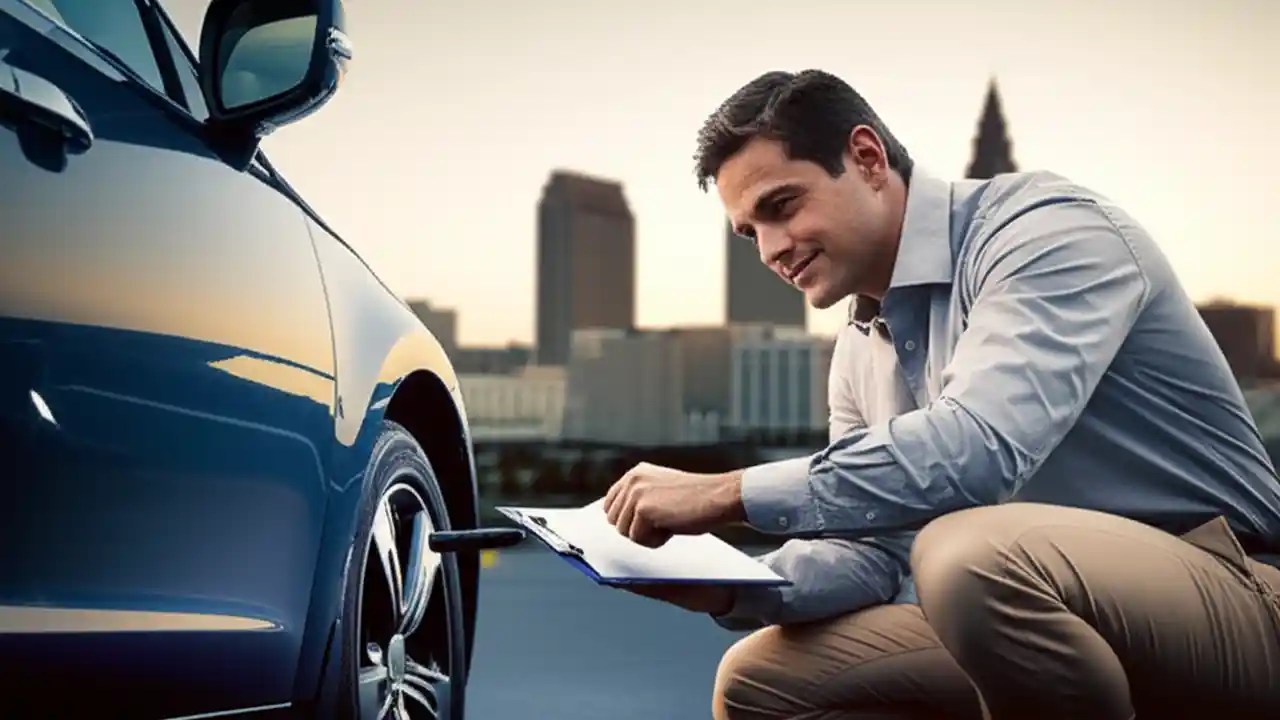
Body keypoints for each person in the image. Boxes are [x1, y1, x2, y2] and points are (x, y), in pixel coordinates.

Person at [601, 69, 1280, 720]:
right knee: (761, 682)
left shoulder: (1043, 230)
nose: (770, 250)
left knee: (967, 551)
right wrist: (723, 583)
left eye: (781, 207)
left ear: (867, 158)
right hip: (1044, 618)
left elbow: (977, 448)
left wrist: (724, 493)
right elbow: (872, 550)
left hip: (1236, 594)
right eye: (750, 232)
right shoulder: (859, 344)